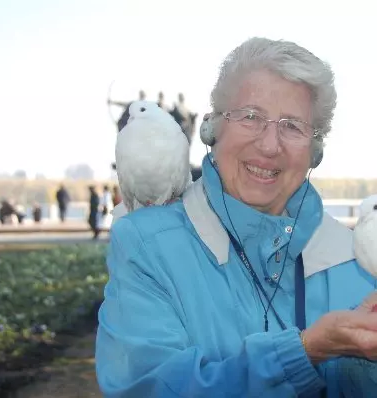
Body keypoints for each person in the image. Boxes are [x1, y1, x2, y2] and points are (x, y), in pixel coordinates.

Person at [95, 37, 377, 397]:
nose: (269, 145)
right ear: (212, 130)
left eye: (292, 125)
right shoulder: (147, 246)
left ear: (315, 151)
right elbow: (146, 388)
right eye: (250, 116)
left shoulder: (353, 258)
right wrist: (306, 352)